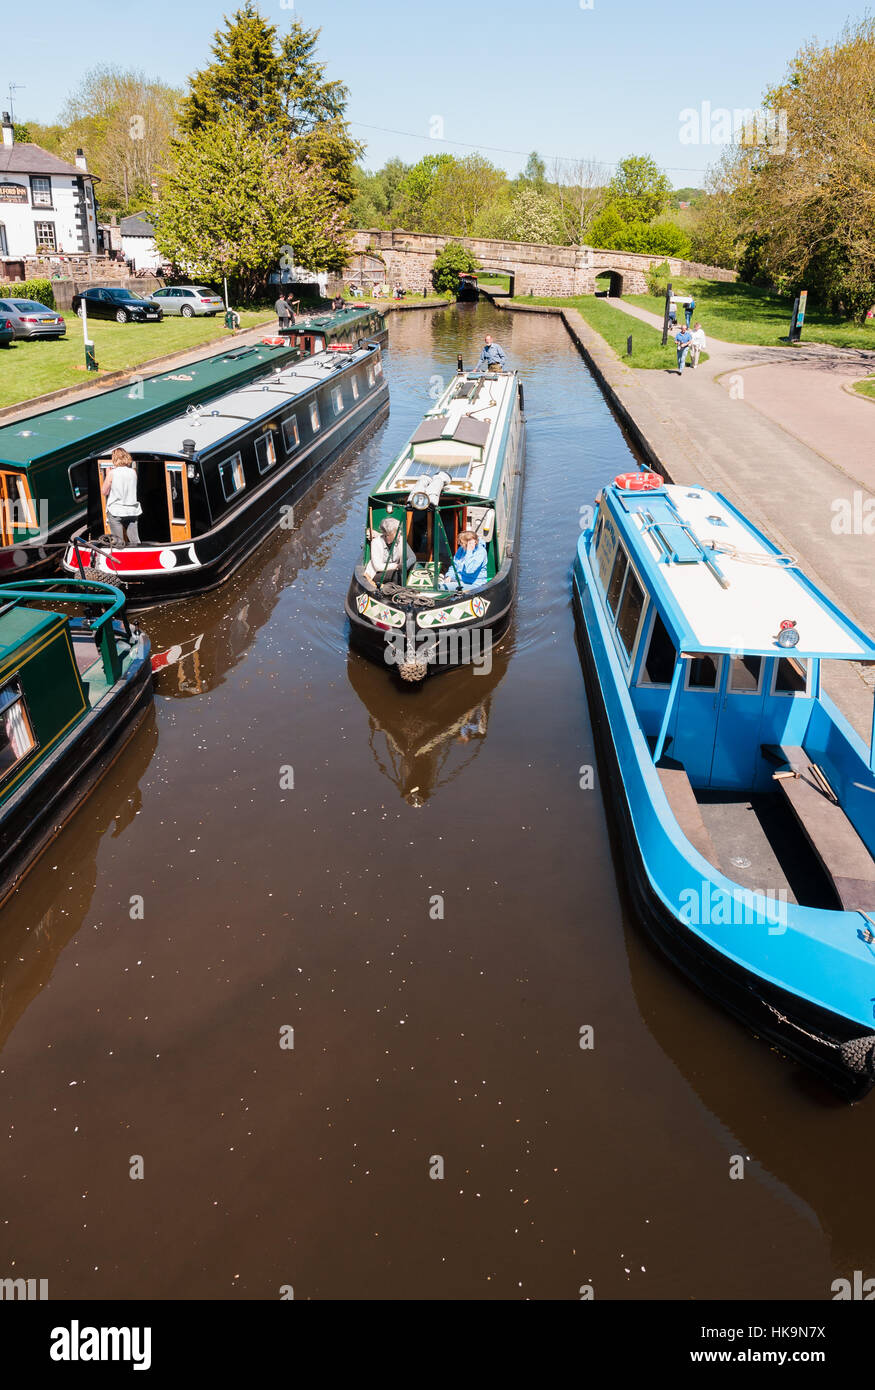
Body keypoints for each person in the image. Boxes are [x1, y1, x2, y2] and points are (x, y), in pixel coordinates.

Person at [102, 447, 142, 545]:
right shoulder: (133, 472)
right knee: (135, 541)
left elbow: (104, 491)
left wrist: (107, 474)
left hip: (116, 511)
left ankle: (119, 559)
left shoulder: (112, 473)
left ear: (114, 459)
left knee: (118, 542)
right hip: (132, 510)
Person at [365, 517, 408, 582]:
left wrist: (404, 566)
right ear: (388, 534)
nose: (400, 532)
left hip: (396, 570)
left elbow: (411, 557)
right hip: (378, 574)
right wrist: (397, 566)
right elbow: (378, 567)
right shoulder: (376, 543)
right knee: (396, 575)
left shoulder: (400, 540)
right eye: (397, 531)